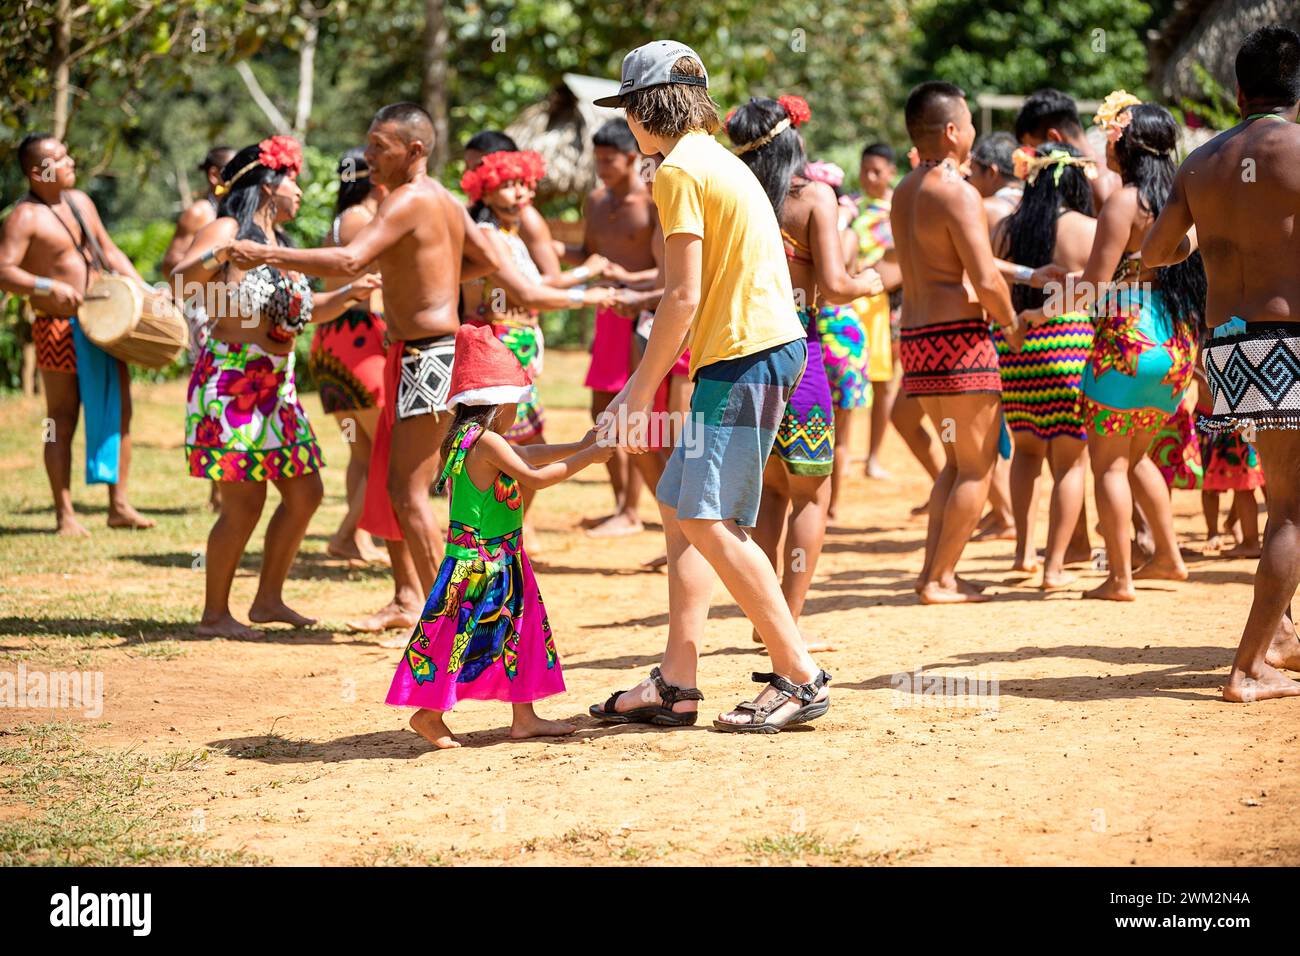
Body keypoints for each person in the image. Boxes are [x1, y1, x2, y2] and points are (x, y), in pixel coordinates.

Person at [589, 41, 831, 732]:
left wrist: (637, 393)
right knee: (680, 508)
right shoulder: (717, 160)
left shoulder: (676, 172)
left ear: (643, 109)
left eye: (628, 110)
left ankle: (801, 676)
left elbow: (682, 296)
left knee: (702, 516)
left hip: (744, 353)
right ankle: (677, 682)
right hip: (755, 349)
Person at [225, 104, 503, 635]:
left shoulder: (407, 199)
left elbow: (350, 261)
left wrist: (268, 255)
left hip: (427, 356)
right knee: (402, 489)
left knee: (408, 493)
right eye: (370, 145)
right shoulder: (441, 197)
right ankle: (434, 610)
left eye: (380, 146)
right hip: (427, 353)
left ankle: (448, 622)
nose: (368, 157)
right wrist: (431, 275)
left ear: (414, 151)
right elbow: (487, 257)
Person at [1142, 25, 1300, 701]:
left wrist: (1209, 251)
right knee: (1293, 511)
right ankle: (1248, 666)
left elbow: (1156, 251)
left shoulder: (1200, 161)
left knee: (1281, 497)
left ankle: (1282, 635)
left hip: (1232, 347)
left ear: (1238, 91)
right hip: (1292, 341)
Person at [172, 137, 378, 638]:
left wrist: (348, 294)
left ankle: (267, 601)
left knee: (306, 492)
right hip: (232, 381)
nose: (301, 190)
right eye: (293, 179)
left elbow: (304, 314)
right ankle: (215, 614)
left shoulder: (281, 246)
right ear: (266, 184)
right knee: (244, 503)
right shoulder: (225, 228)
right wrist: (222, 251)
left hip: (276, 388)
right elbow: (178, 281)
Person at [386, 324, 612, 748]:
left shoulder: (469, 438)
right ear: (495, 404)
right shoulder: (486, 442)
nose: (516, 412)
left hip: (500, 558)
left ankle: (523, 717)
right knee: (462, 638)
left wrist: (579, 445)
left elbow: (527, 455)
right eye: (513, 403)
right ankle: (429, 714)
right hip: (481, 564)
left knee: (519, 633)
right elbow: (535, 477)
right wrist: (590, 456)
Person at [1033, 94, 1204, 602]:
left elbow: (1094, 287)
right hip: (1174, 344)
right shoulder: (1180, 201)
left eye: (1111, 135)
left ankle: (1121, 577)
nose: (1104, 143)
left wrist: (1040, 309)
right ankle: (1169, 558)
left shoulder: (1125, 201)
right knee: (1137, 456)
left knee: (1107, 464)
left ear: (1128, 144)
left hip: (1126, 342)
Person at [727, 94, 882, 649]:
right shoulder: (813, 197)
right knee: (811, 495)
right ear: (793, 138)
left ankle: (762, 617)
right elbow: (837, 287)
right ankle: (786, 623)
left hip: (744, 356)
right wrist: (873, 280)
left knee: (768, 495)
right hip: (799, 355)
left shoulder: (732, 198)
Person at [891, 82, 1025, 604]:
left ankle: (933, 573)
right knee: (976, 466)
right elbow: (986, 279)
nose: (973, 132)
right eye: (969, 123)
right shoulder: (957, 191)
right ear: (951, 132)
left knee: (954, 463)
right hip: (960, 342)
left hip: (918, 340)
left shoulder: (905, 190)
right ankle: (941, 578)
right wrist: (1011, 323)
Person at [459, 148, 615, 553]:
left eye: (524, 184)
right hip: (504, 346)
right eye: (507, 185)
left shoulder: (511, 237)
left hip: (521, 346)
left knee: (522, 440)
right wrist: (588, 290)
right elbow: (529, 293)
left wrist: (587, 276)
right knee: (516, 442)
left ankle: (510, 529)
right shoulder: (490, 237)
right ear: (486, 191)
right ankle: (501, 531)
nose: (519, 193)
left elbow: (542, 287)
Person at [0, 133, 156, 535]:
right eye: (59, 157)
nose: (70, 161)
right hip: (57, 329)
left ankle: (118, 505)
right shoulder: (23, 218)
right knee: (61, 420)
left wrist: (144, 288)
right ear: (38, 172)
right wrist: (48, 288)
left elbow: (109, 249)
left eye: (68, 153)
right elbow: (4, 271)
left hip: (104, 323)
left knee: (118, 410)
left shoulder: (79, 202)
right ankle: (64, 513)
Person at [998, 143, 1098, 587]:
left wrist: (1019, 321)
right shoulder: (1086, 228)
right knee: (1071, 466)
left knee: (1026, 454)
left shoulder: (1006, 228)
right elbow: (1102, 288)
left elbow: (985, 274)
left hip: (1017, 353)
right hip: (1071, 350)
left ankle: (1023, 552)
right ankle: (1055, 566)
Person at [562, 118, 658, 538]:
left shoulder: (653, 203)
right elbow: (587, 254)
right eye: (597, 159)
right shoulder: (596, 202)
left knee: (634, 413)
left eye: (609, 160)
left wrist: (632, 284)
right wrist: (545, 247)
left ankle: (635, 509)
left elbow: (669, 267)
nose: (601, 167)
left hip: (643, 315)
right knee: (601, 411)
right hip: (607, 313)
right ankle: (622, 504)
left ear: (632, 157)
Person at [308, 147, 390, 566]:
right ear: (375, 178)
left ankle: (354, 538)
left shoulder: (342, 221)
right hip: (358, 342)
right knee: (387, 451)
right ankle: (346, 535)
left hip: (333, 343)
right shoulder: (362, 221)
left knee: (364, 451)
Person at [463, 130, 564, 280]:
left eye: (479, 167)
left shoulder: (526, 218)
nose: (471, 174)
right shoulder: (468, 211)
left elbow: (552, 277)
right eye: (468, 167)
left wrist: (519, 289)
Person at [1014, 88, 1121, 208]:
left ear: (1053, 138)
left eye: (1037, 152)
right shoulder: (1114, 173)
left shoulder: (1093, 187)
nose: (1034, 160)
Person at [161, 146, 236, 277]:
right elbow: (169, 265)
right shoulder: (199, 213)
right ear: (214, 175)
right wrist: (219, 260)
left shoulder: (241, 211)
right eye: (236, 169)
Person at [969, 132, 1022, 233]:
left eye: (972, 170)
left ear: (991, 172)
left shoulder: (981, 211)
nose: (969, 179)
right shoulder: (1039, 208)